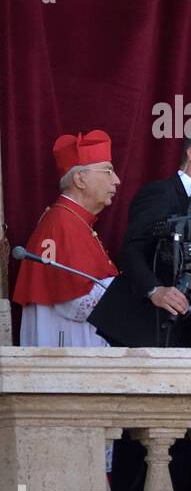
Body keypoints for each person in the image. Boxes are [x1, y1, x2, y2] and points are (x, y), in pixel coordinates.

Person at [89, 135, 191, 347]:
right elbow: (131, 250)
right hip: (146, 324)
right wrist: (154, 290)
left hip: (190, 328)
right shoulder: (160, 193)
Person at [14, 131, 121, 347]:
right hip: (66, 346)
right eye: (108, 171)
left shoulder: (74, 220)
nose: (117, 180)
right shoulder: (62, 222)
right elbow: (74, 303)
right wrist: (132, 292)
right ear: (80, 179)